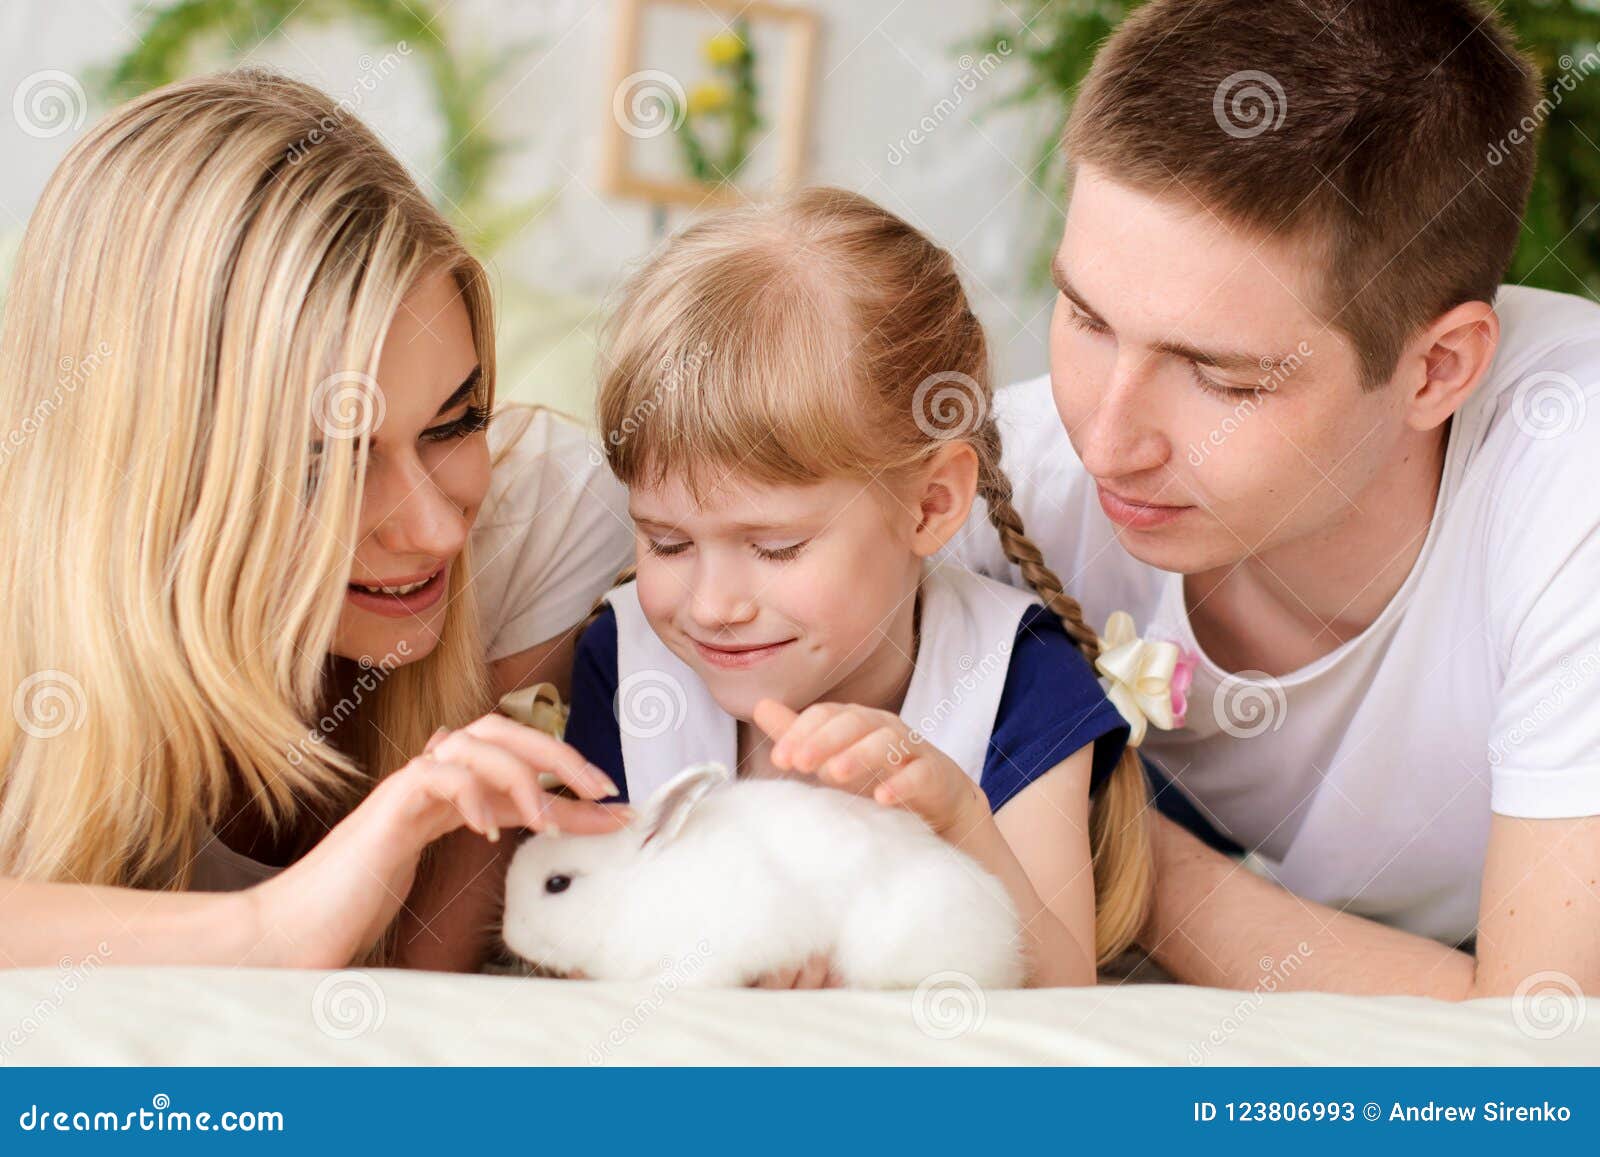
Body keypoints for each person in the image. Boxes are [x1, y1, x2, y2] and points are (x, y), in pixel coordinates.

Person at [946, 0, 1600, 997]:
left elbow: (1539, 1036)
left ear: (1436, 370)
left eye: (1225, 378)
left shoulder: (1570, 472)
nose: (1108, 440)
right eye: (1083, 316)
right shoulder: (1005, 476)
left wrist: (1092, 816)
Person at [0, 70, 636, 972]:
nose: (435, 530)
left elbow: (435, 988)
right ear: (156, 475)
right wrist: (269, 927)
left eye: (455, 423)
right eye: (325, 464)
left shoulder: (533, 516)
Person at [564, 187, 1162, 985]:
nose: (710, 604)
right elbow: (586, 950)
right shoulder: (623, 657)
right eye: (666, 541)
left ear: (931, 504)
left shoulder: (1017, 678)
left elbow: (1062, 996)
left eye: (775, 547)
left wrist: (960, 823)